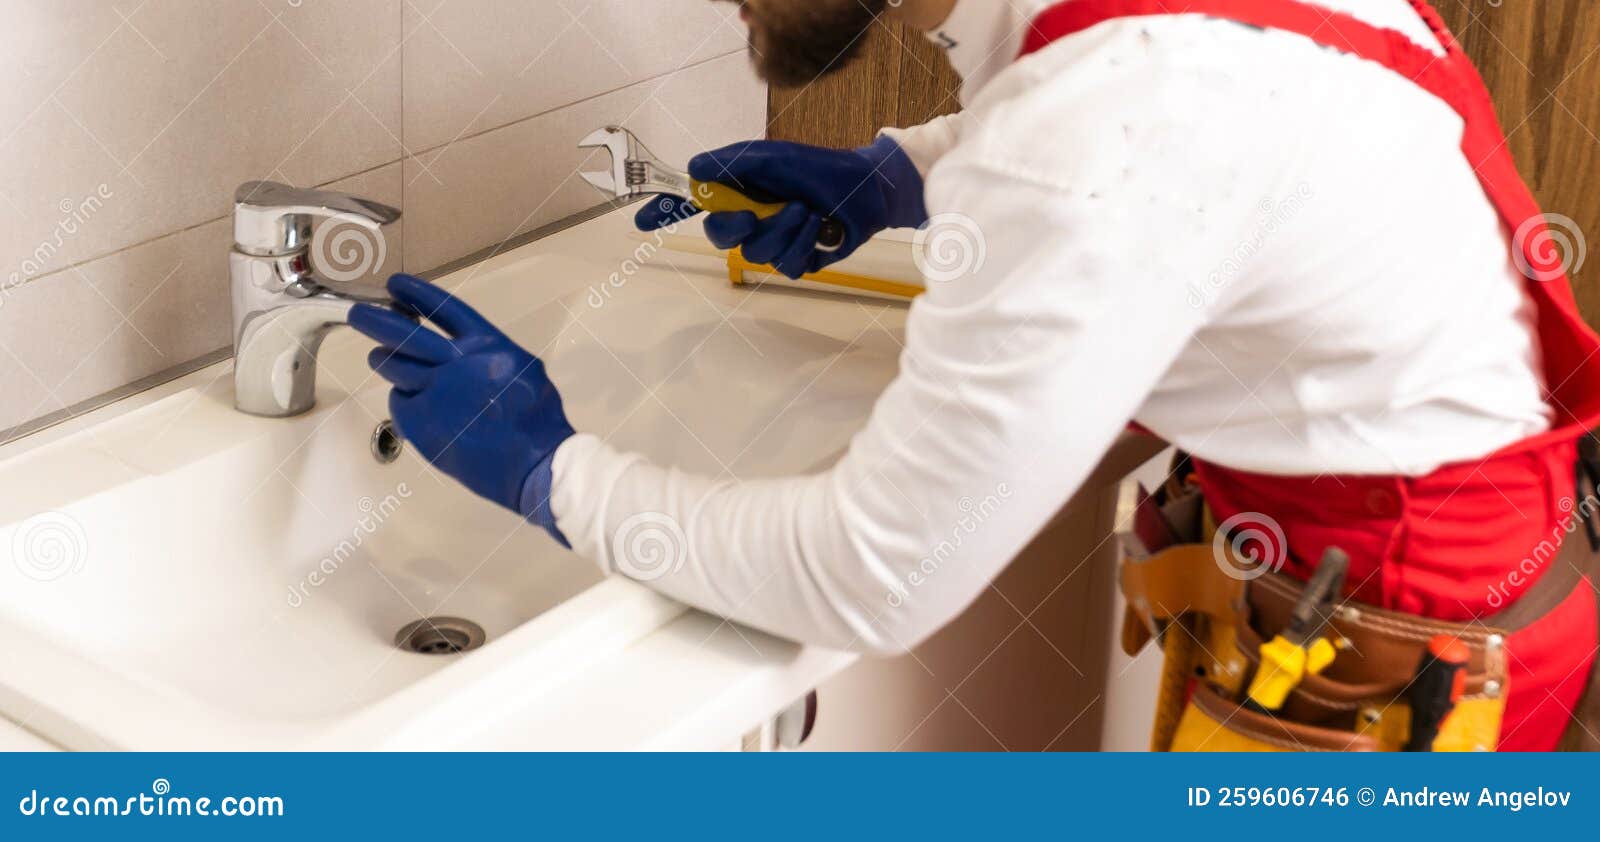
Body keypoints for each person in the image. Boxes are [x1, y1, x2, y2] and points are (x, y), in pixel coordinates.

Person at [351, 0, 1599, 751]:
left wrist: (545, 469)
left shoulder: (1113, 117)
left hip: (1383, 682)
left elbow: (871, 575)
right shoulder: (1129, 63)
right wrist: (905, 172)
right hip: (1408, 599)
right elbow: (1189, 153)